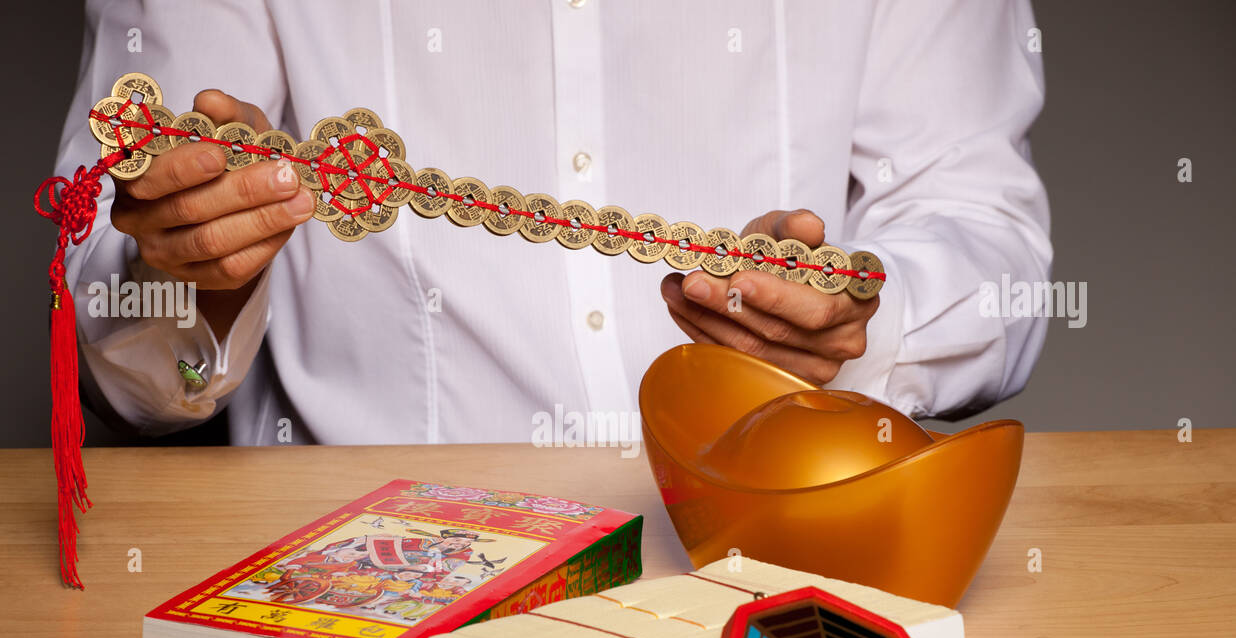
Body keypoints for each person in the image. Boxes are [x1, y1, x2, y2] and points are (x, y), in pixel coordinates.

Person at [57, 0, 1052, 445]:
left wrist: (865, 328)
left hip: (766, 564)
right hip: (368, 611)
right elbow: (118, 353)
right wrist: (194, 275)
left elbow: (980, 226)